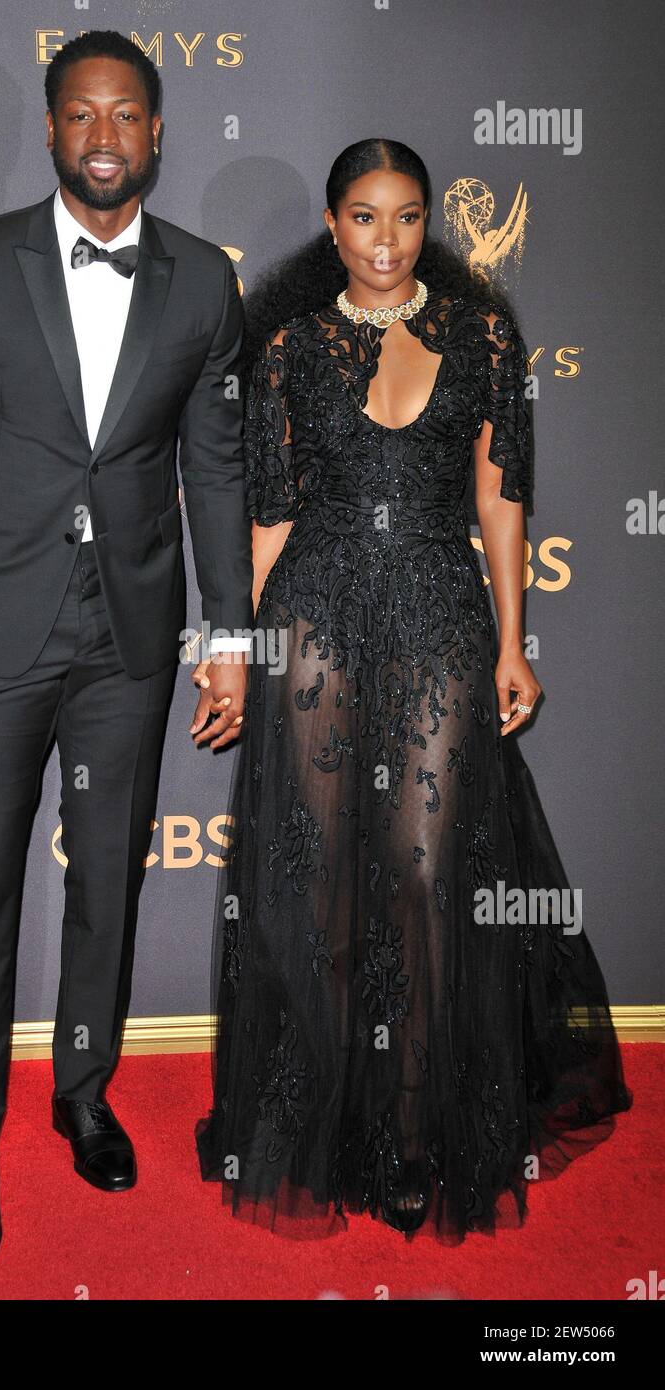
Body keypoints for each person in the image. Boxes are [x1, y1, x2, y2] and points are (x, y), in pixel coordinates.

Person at [194, 138, 632, 1244]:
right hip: (316, 616)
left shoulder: (482, 337)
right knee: (317, 887)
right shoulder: (290, 346)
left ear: (425, 220)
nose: (383, 239)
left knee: (427, 879)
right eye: (360, 216)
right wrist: (227, 645)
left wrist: (512, 643)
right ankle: (322, 1121)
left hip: (438, 611)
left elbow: (498, 506)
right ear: (331, 226)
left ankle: (407, 1132)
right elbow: (269, 519)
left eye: (403, 216)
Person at [0, 29, 251, 1264]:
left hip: (129, 638)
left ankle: (83, 1093)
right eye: (80, 115)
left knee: (109, 876)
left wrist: (227, 631)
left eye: (125, 115)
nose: (103, 136)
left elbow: (212, 462)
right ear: (51, 131)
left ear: (155, 132)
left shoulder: (203, 280)